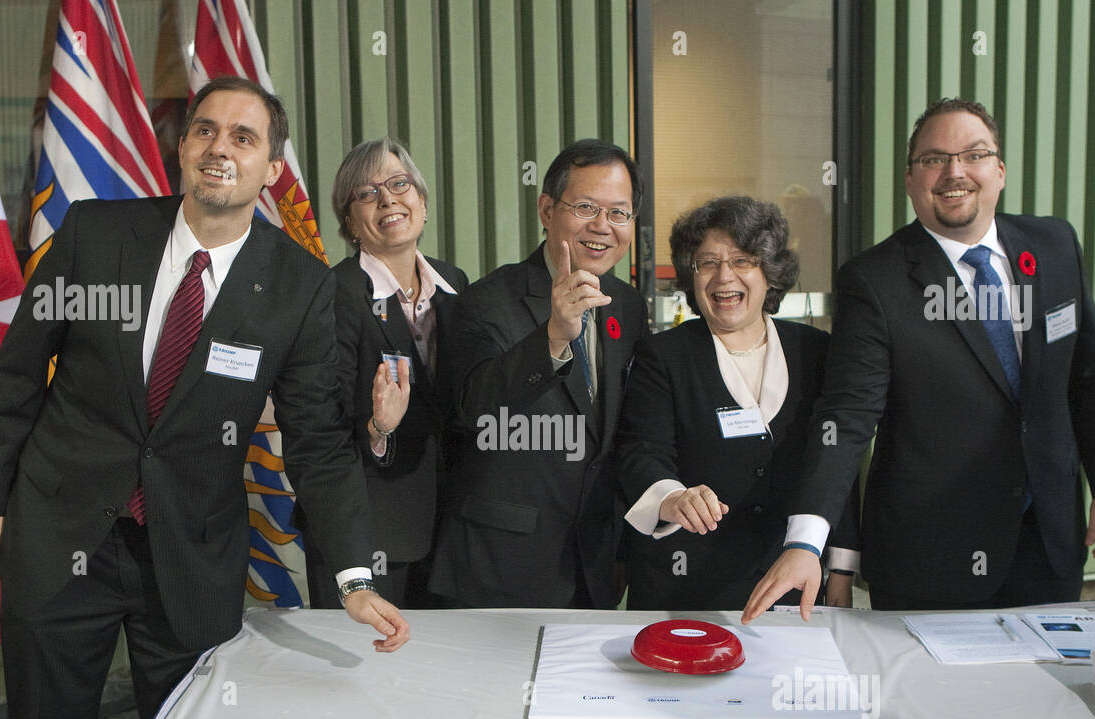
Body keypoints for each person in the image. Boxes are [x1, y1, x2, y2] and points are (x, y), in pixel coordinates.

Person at [0, 76, 409, 719]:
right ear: (182, 148)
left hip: (190, 553)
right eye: (205, 131)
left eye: (243, 137)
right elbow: (18, 373)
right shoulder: (95, 234)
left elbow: (315, 442)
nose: (220, 148)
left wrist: (350, 574)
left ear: (271, 166)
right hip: (60, 531)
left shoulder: (300, 287)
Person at [744, 98, 1095, 621]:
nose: (954, 172)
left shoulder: (1055, 246)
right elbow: (848, 416)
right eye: (933, 159)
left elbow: (1092, 377)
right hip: (930, 559)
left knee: (1042, 696)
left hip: (1048, 541)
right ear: (910, 180)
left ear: (999, 170)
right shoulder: (874, 281)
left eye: (973, 155)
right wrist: (806, 541)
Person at [429, 140, 648, 607]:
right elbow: (473, 411)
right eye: (586, 207)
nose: (601, 227)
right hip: (501, 569)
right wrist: (552, 336)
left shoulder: (628, 306)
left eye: (619, 213)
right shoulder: (486, 300)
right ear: (546, 209)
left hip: (595, 566)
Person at [617, 196, 858, 610]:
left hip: (793, 586)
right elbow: (641, 450)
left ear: (770, 272)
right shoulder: (664, 356)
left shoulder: (817, 352)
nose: (723, 277)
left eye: (744, 260)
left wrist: (841, 569)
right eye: (707, 263)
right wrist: (672, 497)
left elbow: (837, 465)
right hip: (688, 586)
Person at [297, 138, 467, 608]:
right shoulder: (333, 293)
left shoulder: (456, 285)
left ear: (423, 203)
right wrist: (377, 428)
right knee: (366, 675)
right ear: (350, 222)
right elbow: (318, 426)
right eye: (367, 193)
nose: (389, 199)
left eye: (399, 184)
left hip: (446, 529)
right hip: (363, 530)